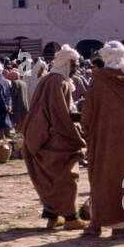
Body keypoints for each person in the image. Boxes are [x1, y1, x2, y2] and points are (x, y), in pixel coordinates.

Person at [81, 40, 124, 237]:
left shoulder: (100, 80)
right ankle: (122, 225)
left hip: (104, 142)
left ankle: (97, 222)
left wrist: (88, 133)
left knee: (102, 180)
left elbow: (88, 114)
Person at [21, 45, 88, 229]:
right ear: (66, 64)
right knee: (67, 178)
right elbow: (61, 116)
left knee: (50, 180)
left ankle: (53, 216)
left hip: (41, 137)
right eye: (73, 65)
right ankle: (71, 218)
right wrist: (79, 137)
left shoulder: (47, 80)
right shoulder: (60, 83)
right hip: (56, 140)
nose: (75, 69)